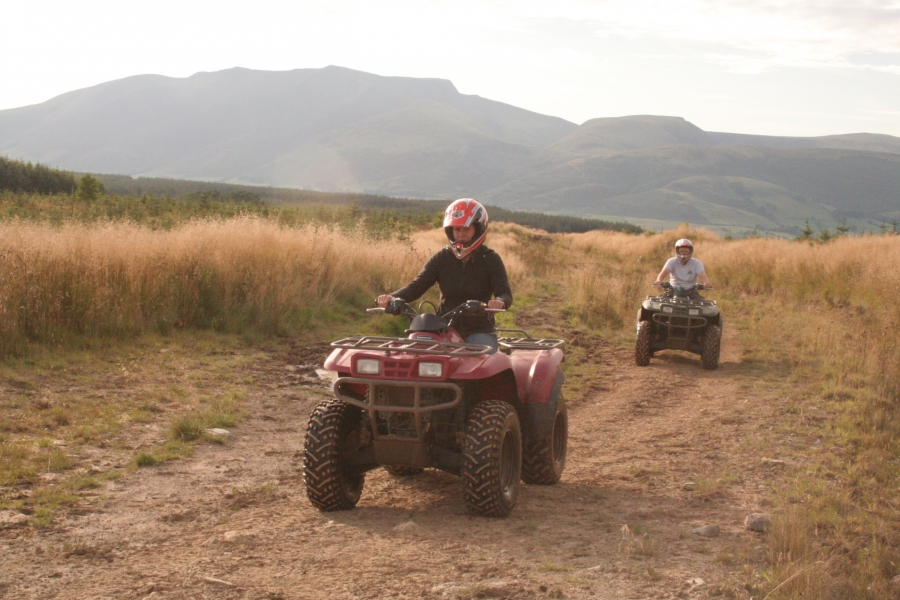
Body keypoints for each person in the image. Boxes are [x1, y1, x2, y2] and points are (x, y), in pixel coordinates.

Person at [377, 199, 512, 352]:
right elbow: (417, 286)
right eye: (456, 229)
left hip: (479, 329)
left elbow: (505, 293)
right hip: (444, 328)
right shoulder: (442, 258)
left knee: (481, 360)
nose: (460, 234)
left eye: (466, 229)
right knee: (416, 354)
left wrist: (499, 302)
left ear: (478, 230)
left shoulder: (491, 259)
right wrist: (392, 298)